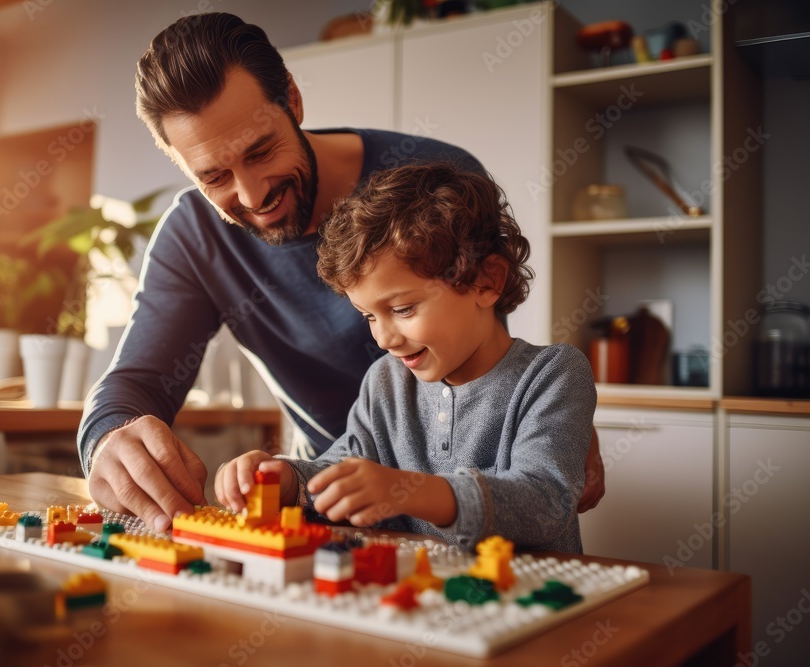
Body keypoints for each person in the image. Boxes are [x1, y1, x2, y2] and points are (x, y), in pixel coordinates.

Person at [79, 12, 604, 534]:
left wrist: (556, 426)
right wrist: (108, 440)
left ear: (292, 99)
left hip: (476, 530)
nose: (253, 196)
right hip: (339, 519)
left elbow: (484, 370)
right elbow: (139, 380)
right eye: (214, 176)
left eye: (261, 150)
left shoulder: (433, 178)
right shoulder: (195, 235)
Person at [214, 162, 596, 553]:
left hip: (528, 589)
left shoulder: (552, 373)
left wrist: (406, 490)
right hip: (413, 588)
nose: (383, 338)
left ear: (486, 281)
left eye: (403, 309)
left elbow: (544, 502)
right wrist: (288, 480)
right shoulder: (387, 380)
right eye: (368, 316)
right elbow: (346, 470)